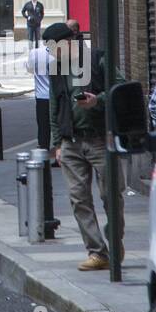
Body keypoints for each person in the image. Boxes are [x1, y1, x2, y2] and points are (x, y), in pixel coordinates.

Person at [47, 20, 125, 272]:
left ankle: (115, 241)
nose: (50, 52)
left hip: (101, 139)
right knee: (78, 199)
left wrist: (98, 101)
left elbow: (121, 89)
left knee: (110, 195)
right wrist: (56, 143)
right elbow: (54, 107)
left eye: (53, 47)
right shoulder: (56, 69)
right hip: (71, 142)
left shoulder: (96, 59)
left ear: (68, 42)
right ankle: (97, 252)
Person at [25, 41, 51, 151]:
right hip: (58, 95)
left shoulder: (35, 53)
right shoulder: (62, 54)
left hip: (42, 96)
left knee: (43, 125)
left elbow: (29, 68)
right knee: (59, 125)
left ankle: (44, 149)